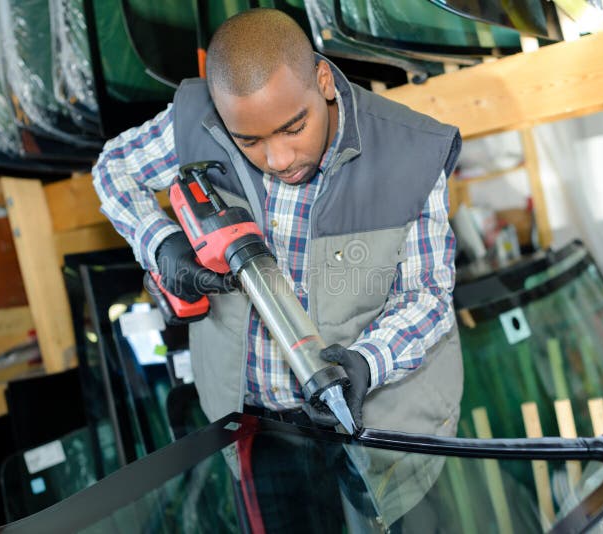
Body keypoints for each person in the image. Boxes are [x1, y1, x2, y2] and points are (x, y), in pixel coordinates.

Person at [93, 8, 463, 529]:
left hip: (377, 428)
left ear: (324, 81)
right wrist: (161, 244)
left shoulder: (409, 152)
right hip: (254, 430)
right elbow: (112, 170)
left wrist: (365, 362)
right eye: (250, 141)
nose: (279, 156)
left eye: (295, 126)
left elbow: (427, 296)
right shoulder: (197, 118)